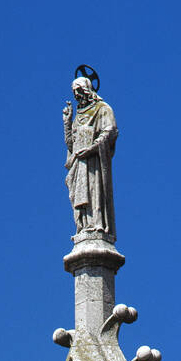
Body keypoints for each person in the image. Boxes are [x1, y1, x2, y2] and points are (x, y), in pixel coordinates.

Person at [63, 77, 117, 239]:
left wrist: (92, 148)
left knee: (94, 193)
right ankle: (84, 226)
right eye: (74, 93)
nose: (77, 96)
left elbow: (110, 131)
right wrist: (67, 123)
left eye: (79, 91)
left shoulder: (102, 109)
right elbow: (71, 145)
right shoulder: (78, 117)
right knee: (77, 196)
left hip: (95, 163)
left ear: (87, 90)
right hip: (79, 163)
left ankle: (97, 225)